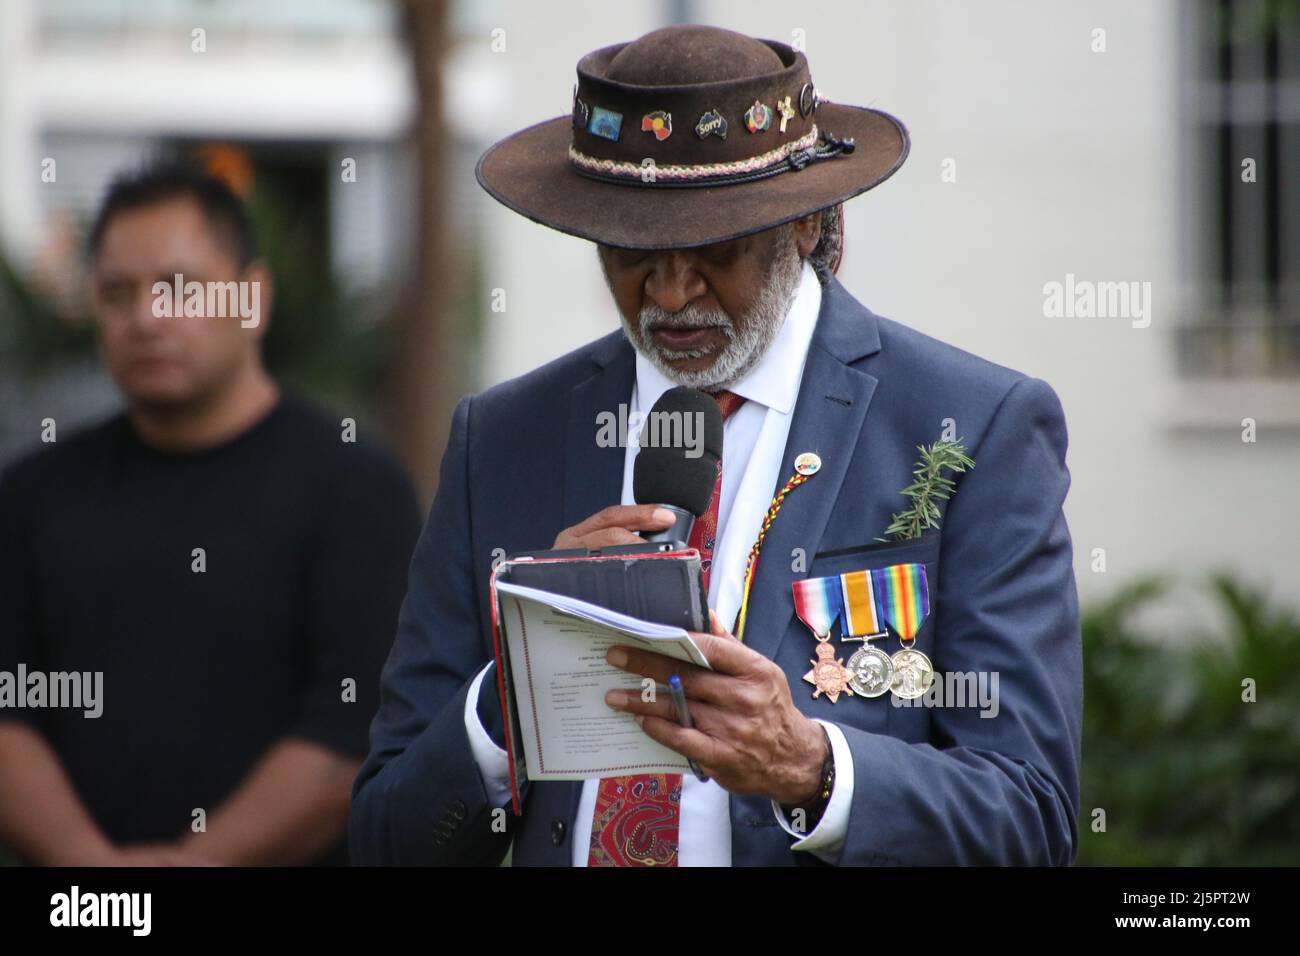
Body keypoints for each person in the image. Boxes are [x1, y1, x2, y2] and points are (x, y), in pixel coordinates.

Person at [351, 24, 1081, 866]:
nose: (669, 292)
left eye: (715, 251)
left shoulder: (975, 425)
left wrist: (814, 771)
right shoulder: (501, 439)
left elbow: (1032, 820)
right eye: (631, 253)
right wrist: (510, 696)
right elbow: (384, 838)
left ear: (805, 225)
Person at [0, 163, 420, 865]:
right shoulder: (33, 494)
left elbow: (353, 734)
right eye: (116, 293)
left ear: (253, 298)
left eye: (179, 287)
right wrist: (97, 878)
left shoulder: (356, 490)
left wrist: (190, 870)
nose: (146, 317)